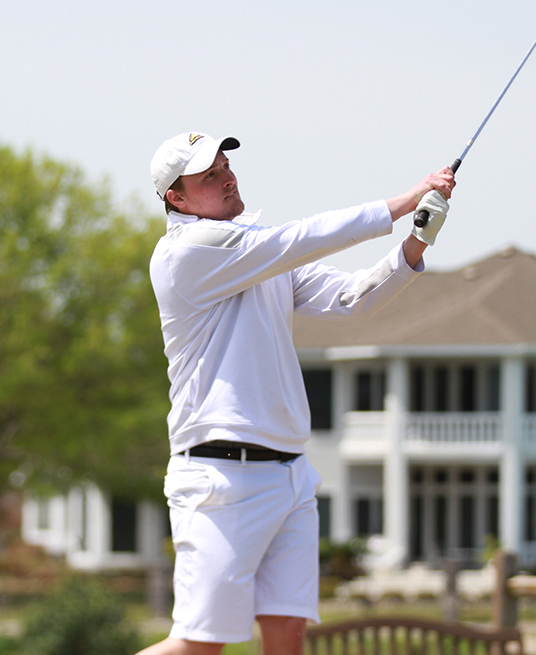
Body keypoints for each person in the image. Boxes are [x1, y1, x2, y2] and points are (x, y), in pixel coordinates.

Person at [138, 132, 454, 655]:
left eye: (224, 165)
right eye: (209, 176)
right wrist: (403, 200)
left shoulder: (256, 250)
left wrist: (416, 241)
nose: (227, 177)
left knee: (288, 635)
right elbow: (302, 237)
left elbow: (350, 299)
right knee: (199, 646)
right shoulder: (186, 253)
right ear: (177, 199)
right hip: (220, 476)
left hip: (290, 474)